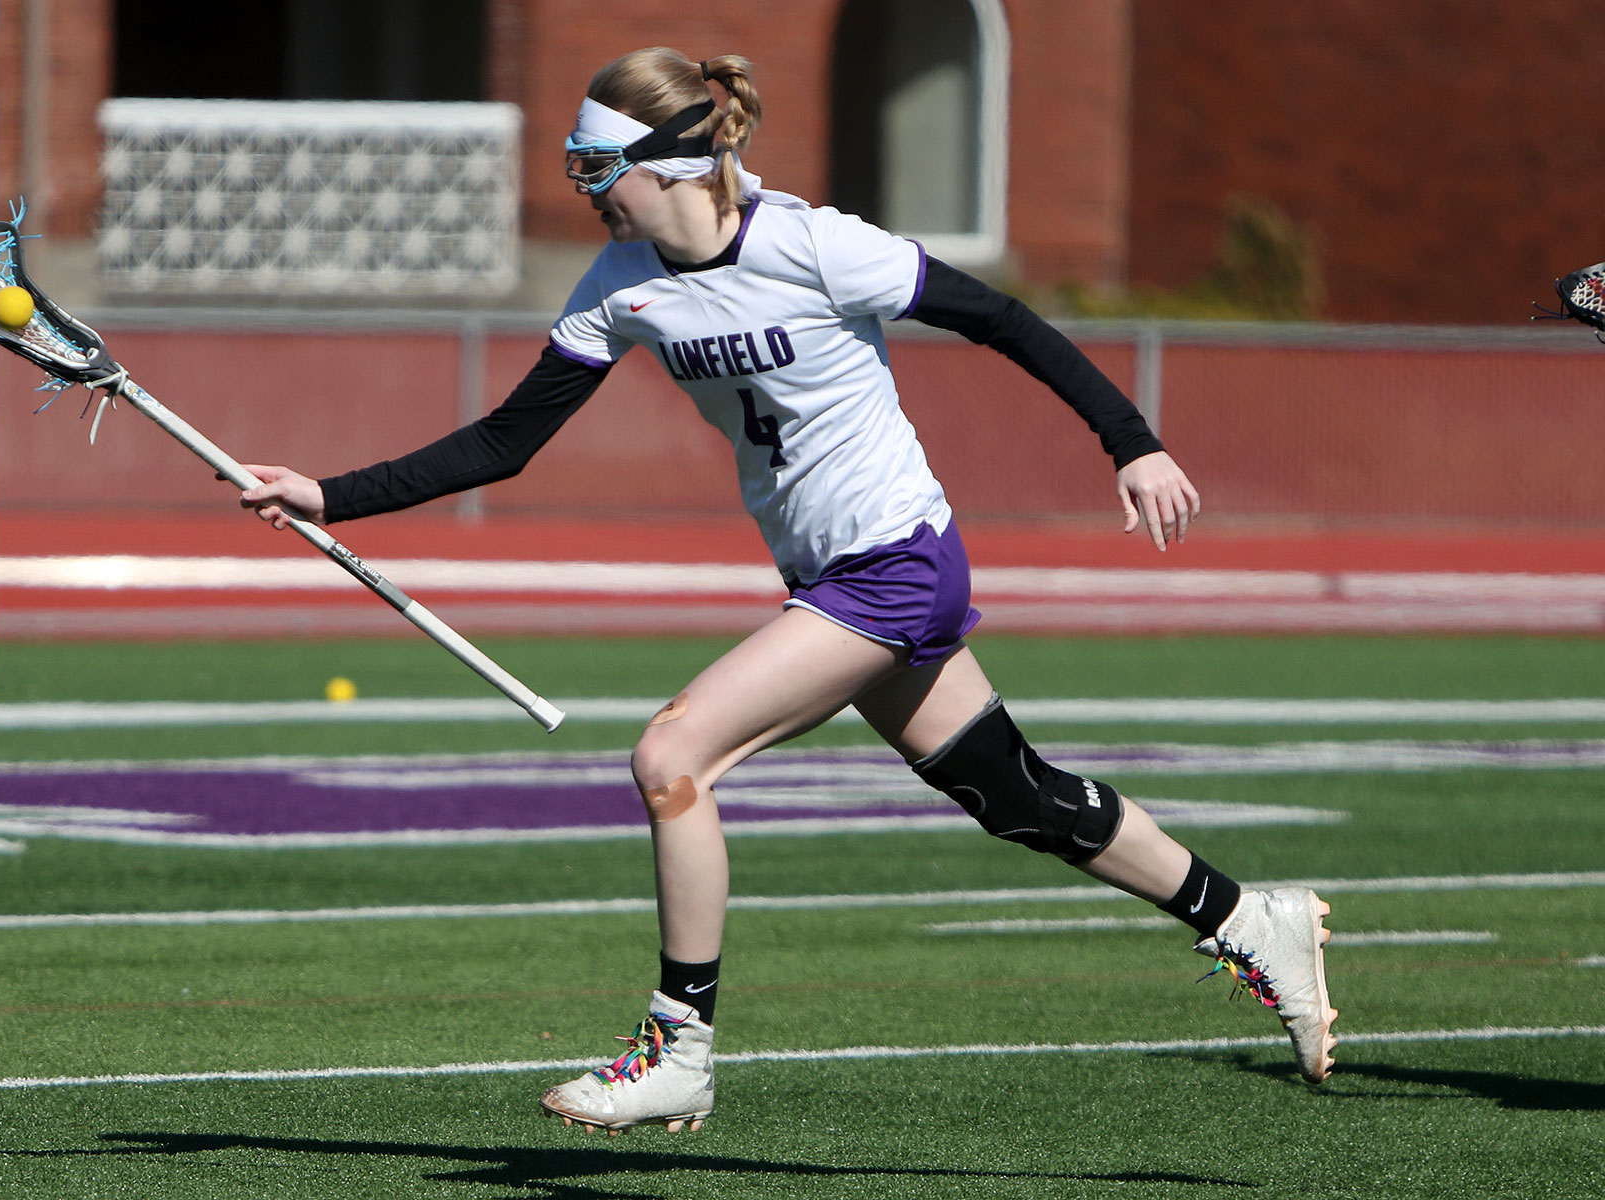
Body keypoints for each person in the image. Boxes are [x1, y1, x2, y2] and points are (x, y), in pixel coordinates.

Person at [238, 47, 1337, 1134]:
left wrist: (1130, 443)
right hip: (830, 576)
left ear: (664, 164)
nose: (582, 190)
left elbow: (1001, 318)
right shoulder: (618, 291)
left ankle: (680, 1048)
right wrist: (329, 495)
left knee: (673, 756)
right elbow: (505, 441)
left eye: (593, 166)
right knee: (1015, 797)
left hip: (896, 563)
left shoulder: (813, 243)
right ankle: (1246, 915)